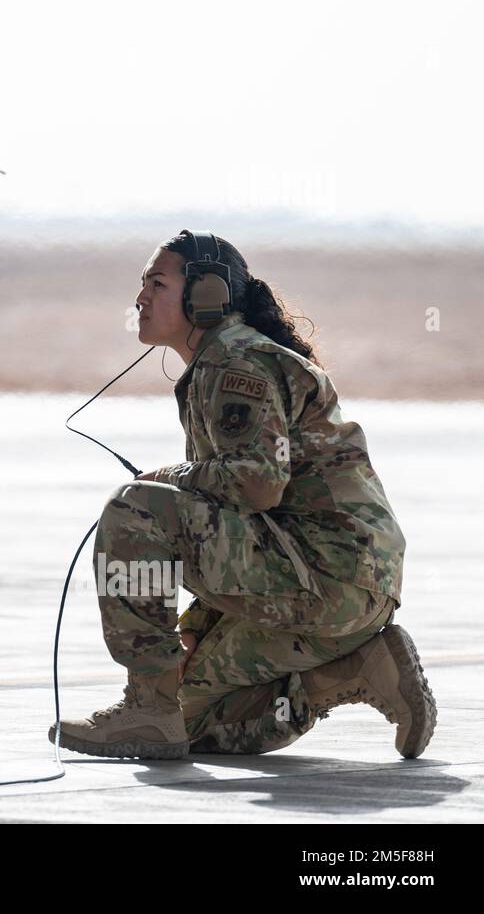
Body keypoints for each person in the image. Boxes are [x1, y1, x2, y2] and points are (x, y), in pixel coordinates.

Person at [57, 229, 436, 760]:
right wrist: (194, 630)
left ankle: (145, 704)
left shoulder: (237, 364)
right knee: (191, 722)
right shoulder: (222, 363)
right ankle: (352, 670)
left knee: (134, 507)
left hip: (324, 576)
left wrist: (168, 476)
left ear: (204, 295)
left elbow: (256, 484)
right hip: (336, 584)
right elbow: (242, 520)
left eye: (157, 284)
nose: (140, 298)